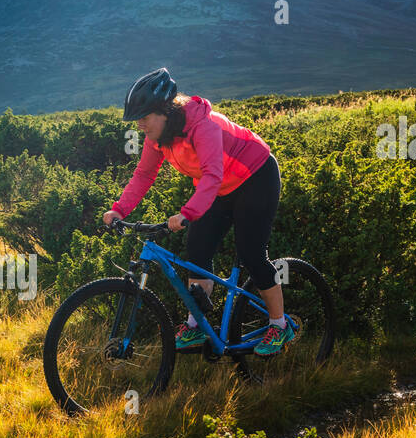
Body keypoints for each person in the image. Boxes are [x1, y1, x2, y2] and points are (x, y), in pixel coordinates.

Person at [102, 67, 293, 356]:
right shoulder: (157, 137)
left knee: (252, 253)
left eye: (143, 117)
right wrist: (118, 210)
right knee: (197, 251)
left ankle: (279, 325)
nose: (139, 125)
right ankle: (196, 326)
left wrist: (187, 213)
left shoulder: (204, 126)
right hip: (218, 189)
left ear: (164, 111)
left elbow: (212, 175)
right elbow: (143, 175)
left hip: (256, 176)